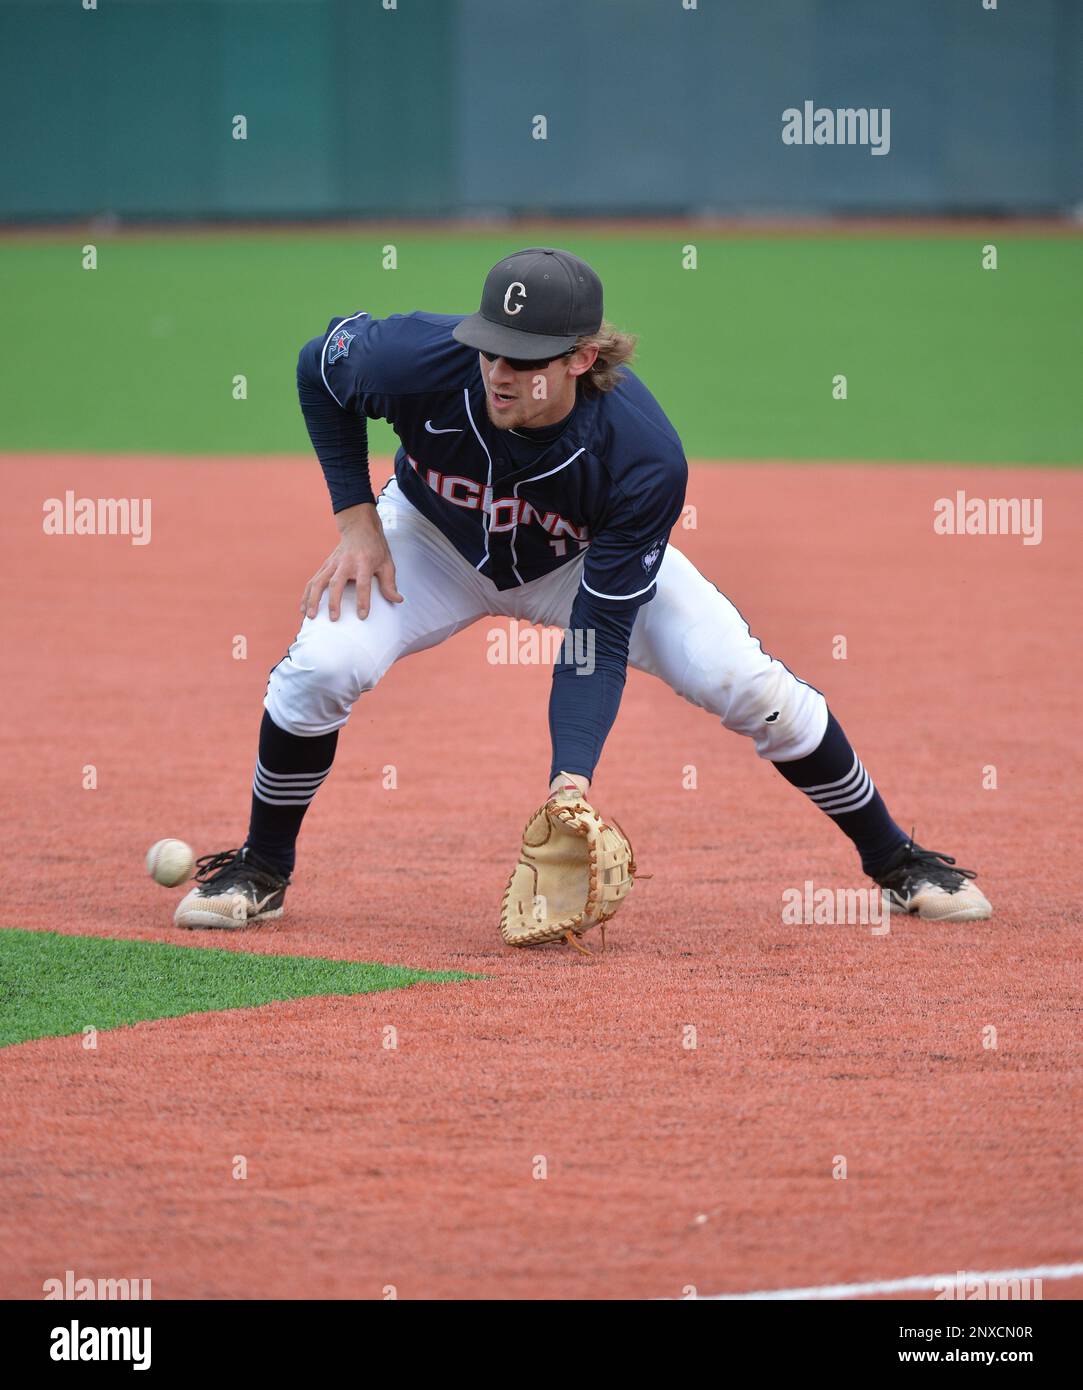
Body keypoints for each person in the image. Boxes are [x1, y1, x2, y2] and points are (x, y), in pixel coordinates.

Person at [174, 248, 991, 932]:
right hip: (427, 540)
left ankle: (895, 859)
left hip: (580, 564)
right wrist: (356, 519)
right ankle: (260, 867)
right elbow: (317, 368)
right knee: (320, 669)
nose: (497, 372)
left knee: (741, 681)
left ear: (580, 358)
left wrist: (571, 776)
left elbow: (595, 636)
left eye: (523, 360)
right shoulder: (416, 358)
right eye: (490, 348)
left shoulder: (642, 458)